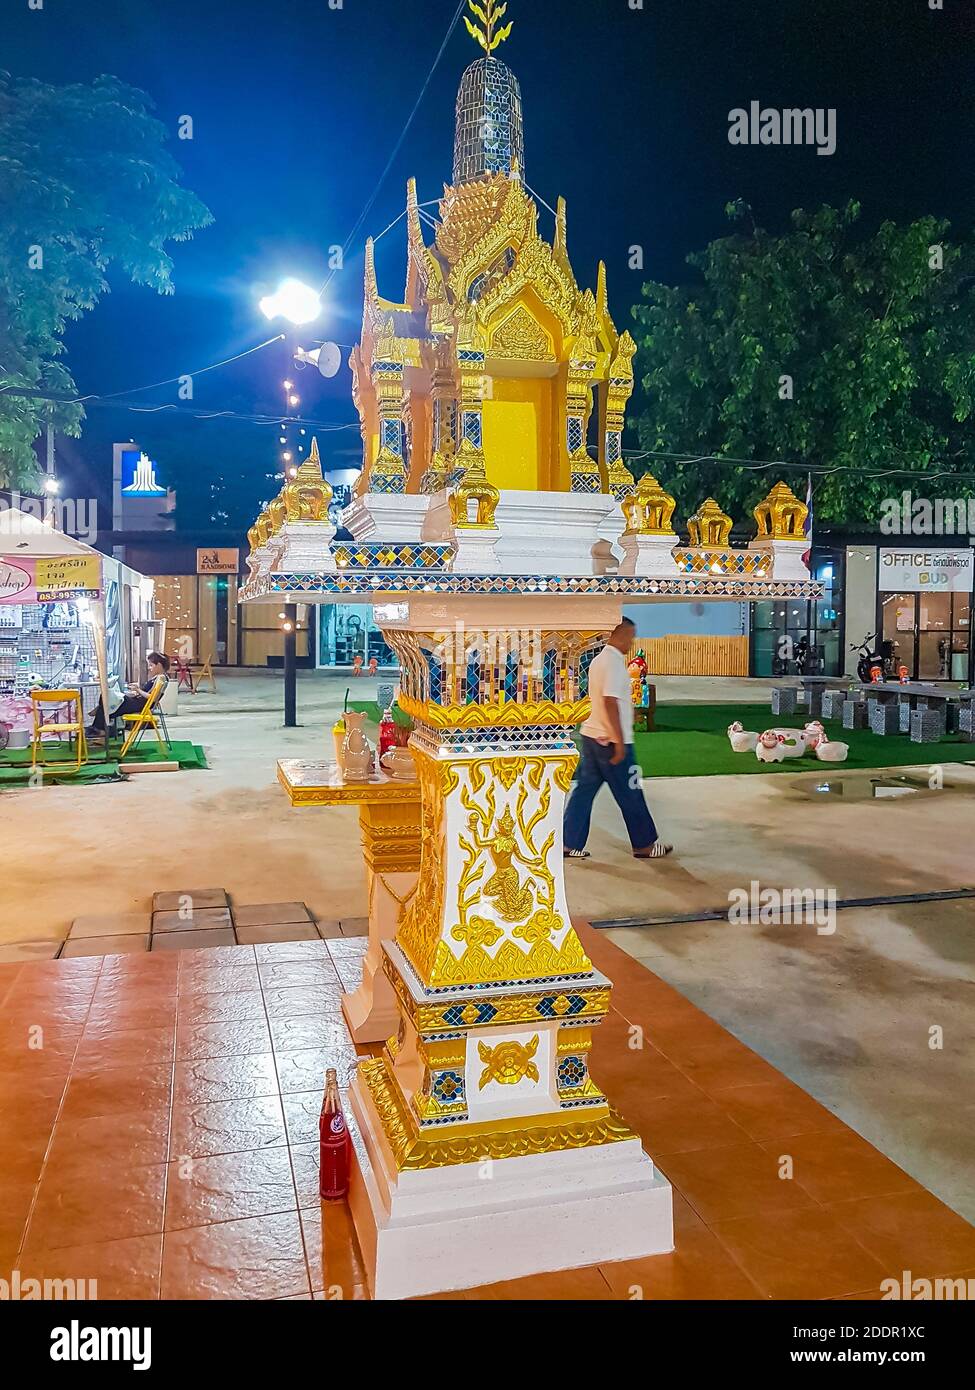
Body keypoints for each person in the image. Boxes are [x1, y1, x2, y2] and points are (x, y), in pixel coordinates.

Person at [563, 618, 672, 861]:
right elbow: (610, 702)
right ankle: (644, 844)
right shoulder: (613, 663)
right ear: (619, 635)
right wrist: (620, 743)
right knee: (631, 791)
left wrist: (629, 710)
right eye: (630, 636)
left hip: (591, 736)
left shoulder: (598, 661)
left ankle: (569, 843)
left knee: (584, 791)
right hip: (610, 742)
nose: (631, 642)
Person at [90, 652, 170, 733]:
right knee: (106, 705)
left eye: (151, 665)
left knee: (107, 698)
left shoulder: (161, 678)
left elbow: (153, 698)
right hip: (138, 703)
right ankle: (98, 728)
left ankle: (97, 729)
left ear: (159, 665)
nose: (149, 668)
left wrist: (138, 690)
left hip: (139, 705)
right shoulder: (159, 677)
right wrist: (137, 691)